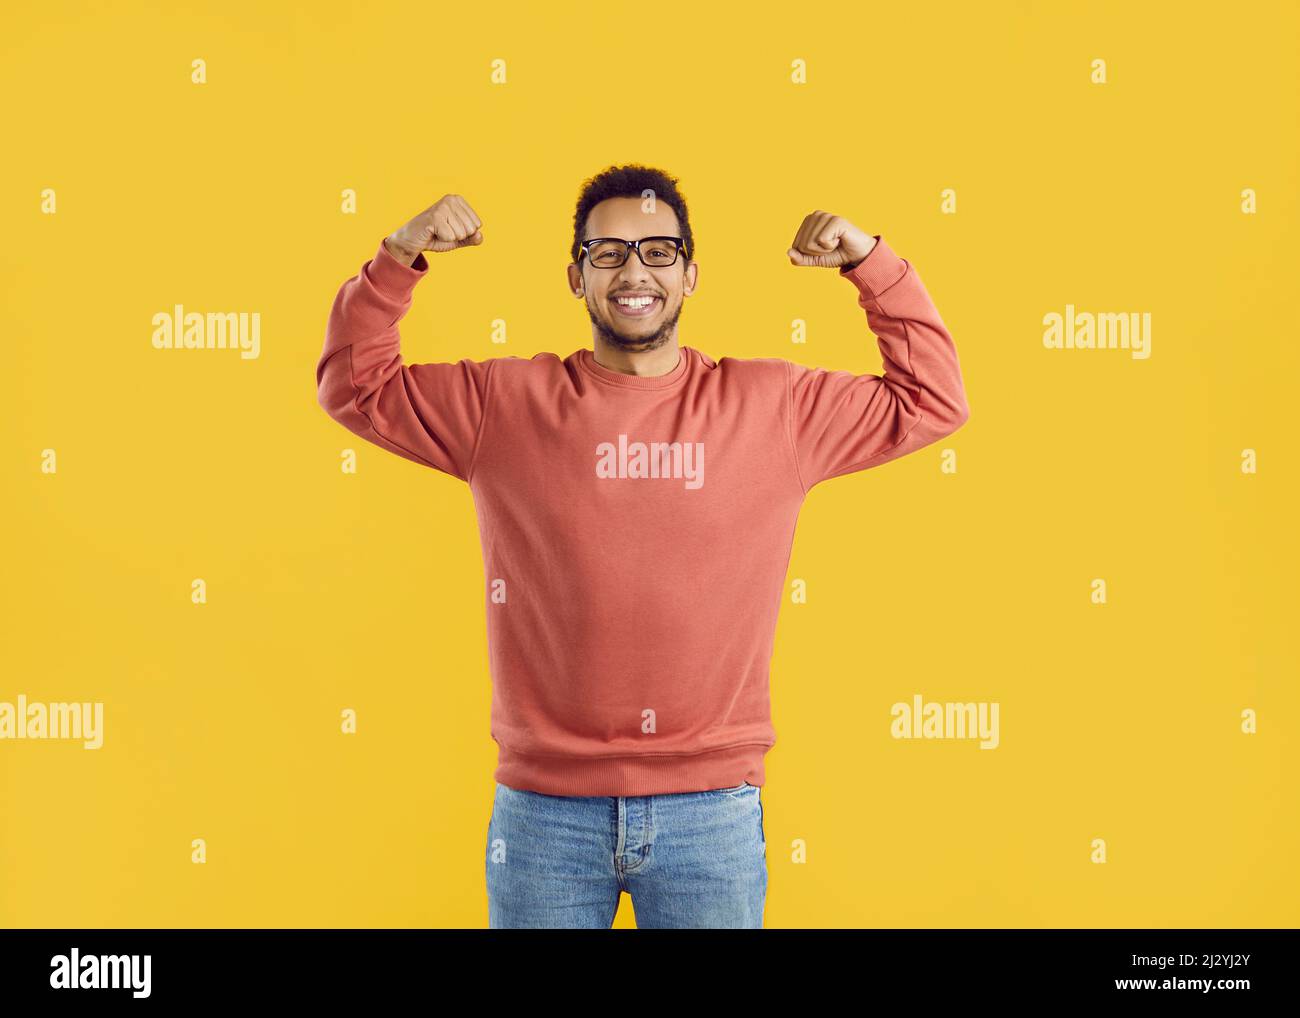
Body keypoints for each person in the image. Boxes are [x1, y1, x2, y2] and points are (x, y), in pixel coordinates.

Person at [315, 164, 971, 927]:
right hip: (543, 819)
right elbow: (354, 388)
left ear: (691, 275)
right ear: (576, 276)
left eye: (659, 252)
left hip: (712, 817)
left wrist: (873, 266)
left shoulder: (772, 407)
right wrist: (398, 257)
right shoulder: (505, 406)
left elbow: (932, 399)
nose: (635, 271)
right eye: (608, 253)